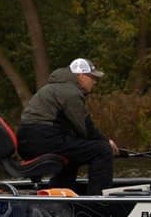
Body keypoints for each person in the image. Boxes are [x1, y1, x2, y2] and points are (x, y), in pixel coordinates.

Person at [17, 58, 118, 195]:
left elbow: (75, 131)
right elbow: (85, 127)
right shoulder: (70, 92)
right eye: (92, 77)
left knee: (74, 153)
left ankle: (58, 193)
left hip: (29, 141)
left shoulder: (55, 88)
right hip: (42, 139)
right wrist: (106, 142)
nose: (94, 82)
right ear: (81, 76)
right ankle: (98, 201)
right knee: (102, 150)